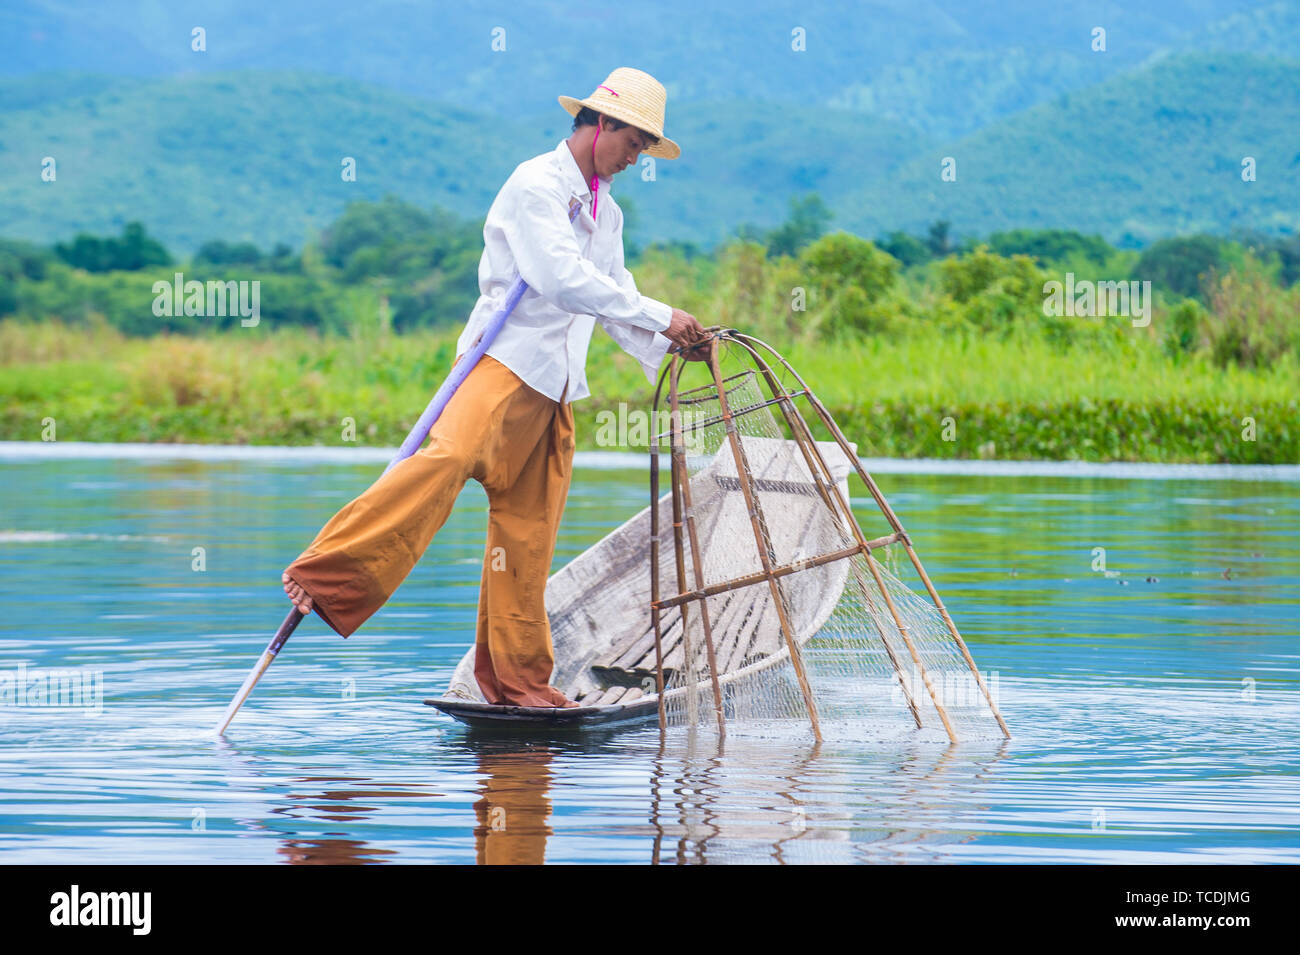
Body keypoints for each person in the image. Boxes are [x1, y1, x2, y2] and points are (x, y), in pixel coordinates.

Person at [280, 67, 708, 708]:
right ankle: (329, 574)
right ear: (602, 124)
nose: (636, 156)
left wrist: (668, 340)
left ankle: (517, 683)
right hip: (501, 367)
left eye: (647, 146)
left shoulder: (606, 211)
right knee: (446, 460)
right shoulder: (536, 183)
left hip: (556, 388)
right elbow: (559, 278)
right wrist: (658, 314)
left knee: (527, 538)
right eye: (634, 140)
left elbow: (610, 302)